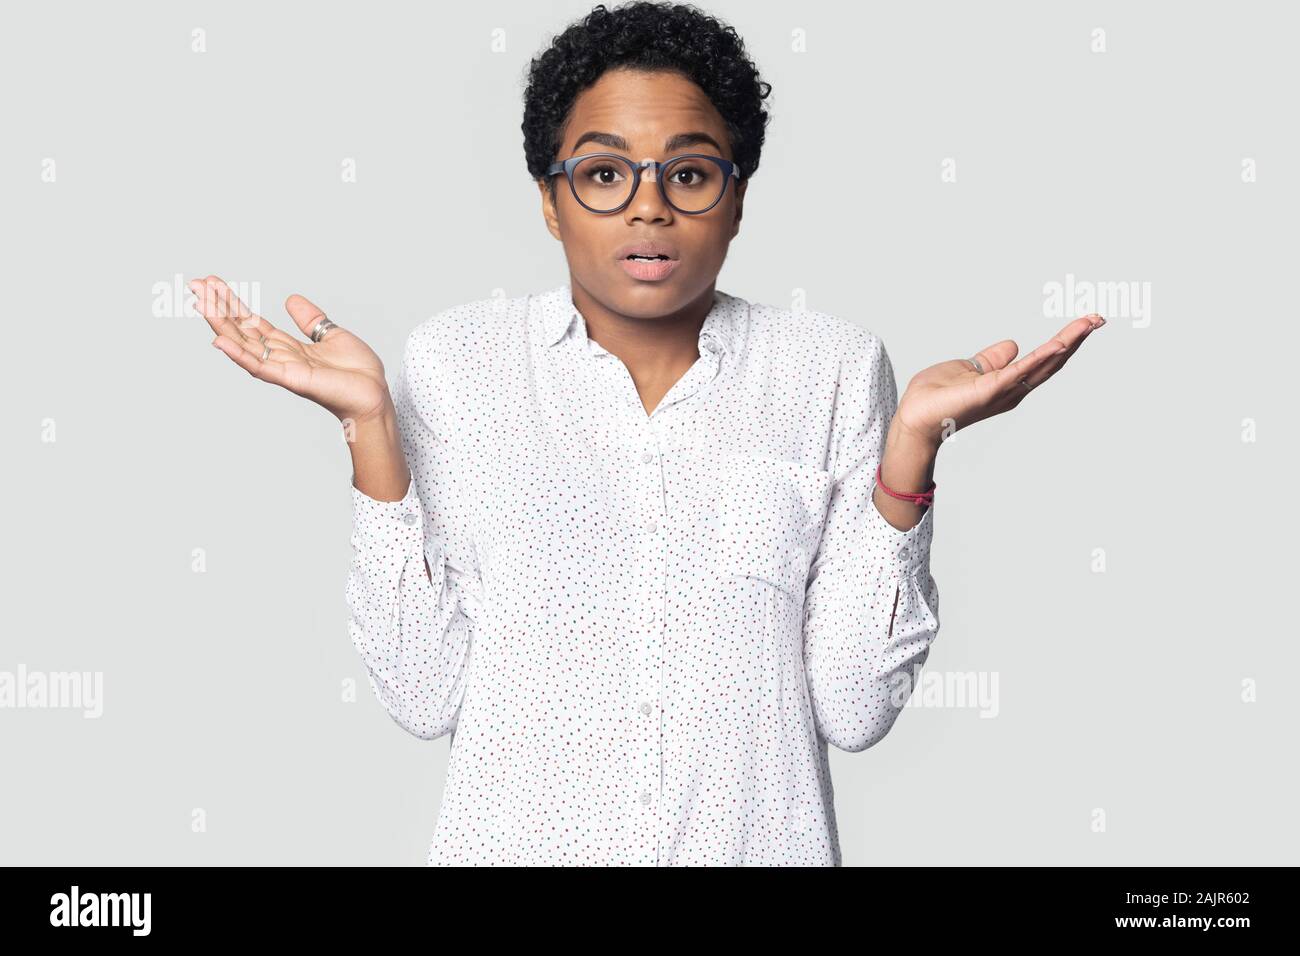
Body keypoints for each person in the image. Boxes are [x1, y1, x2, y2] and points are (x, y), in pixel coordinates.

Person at [188, 0, 1103, 866]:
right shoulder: (458, 366)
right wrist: (370, 430)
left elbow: (856, 708)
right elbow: (425, 696)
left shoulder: (829, 368)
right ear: (551, 202)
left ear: (737, 199)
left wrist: (913, 447)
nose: (648, 206)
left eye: (691, 173)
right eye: (603, 172)